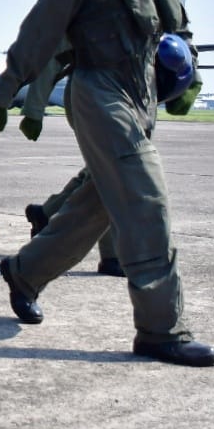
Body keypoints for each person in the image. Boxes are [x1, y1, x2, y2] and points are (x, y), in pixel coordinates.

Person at [0, 0, 214, 367]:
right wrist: (4, 93)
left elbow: (178, 28)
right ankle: (160, 329)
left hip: (141, 93)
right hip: (99, 91)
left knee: (98, 205)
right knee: (146, 200)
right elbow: (40, 32)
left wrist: (189, 79)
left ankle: (25, 272)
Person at [18, 54, 124, 277]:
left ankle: (47, 213)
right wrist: (34, 111)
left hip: (124, 99)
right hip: (90, 96)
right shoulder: (91, 18)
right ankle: (112, 254)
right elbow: (53, 55)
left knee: (104, 169)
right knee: (112, 171)